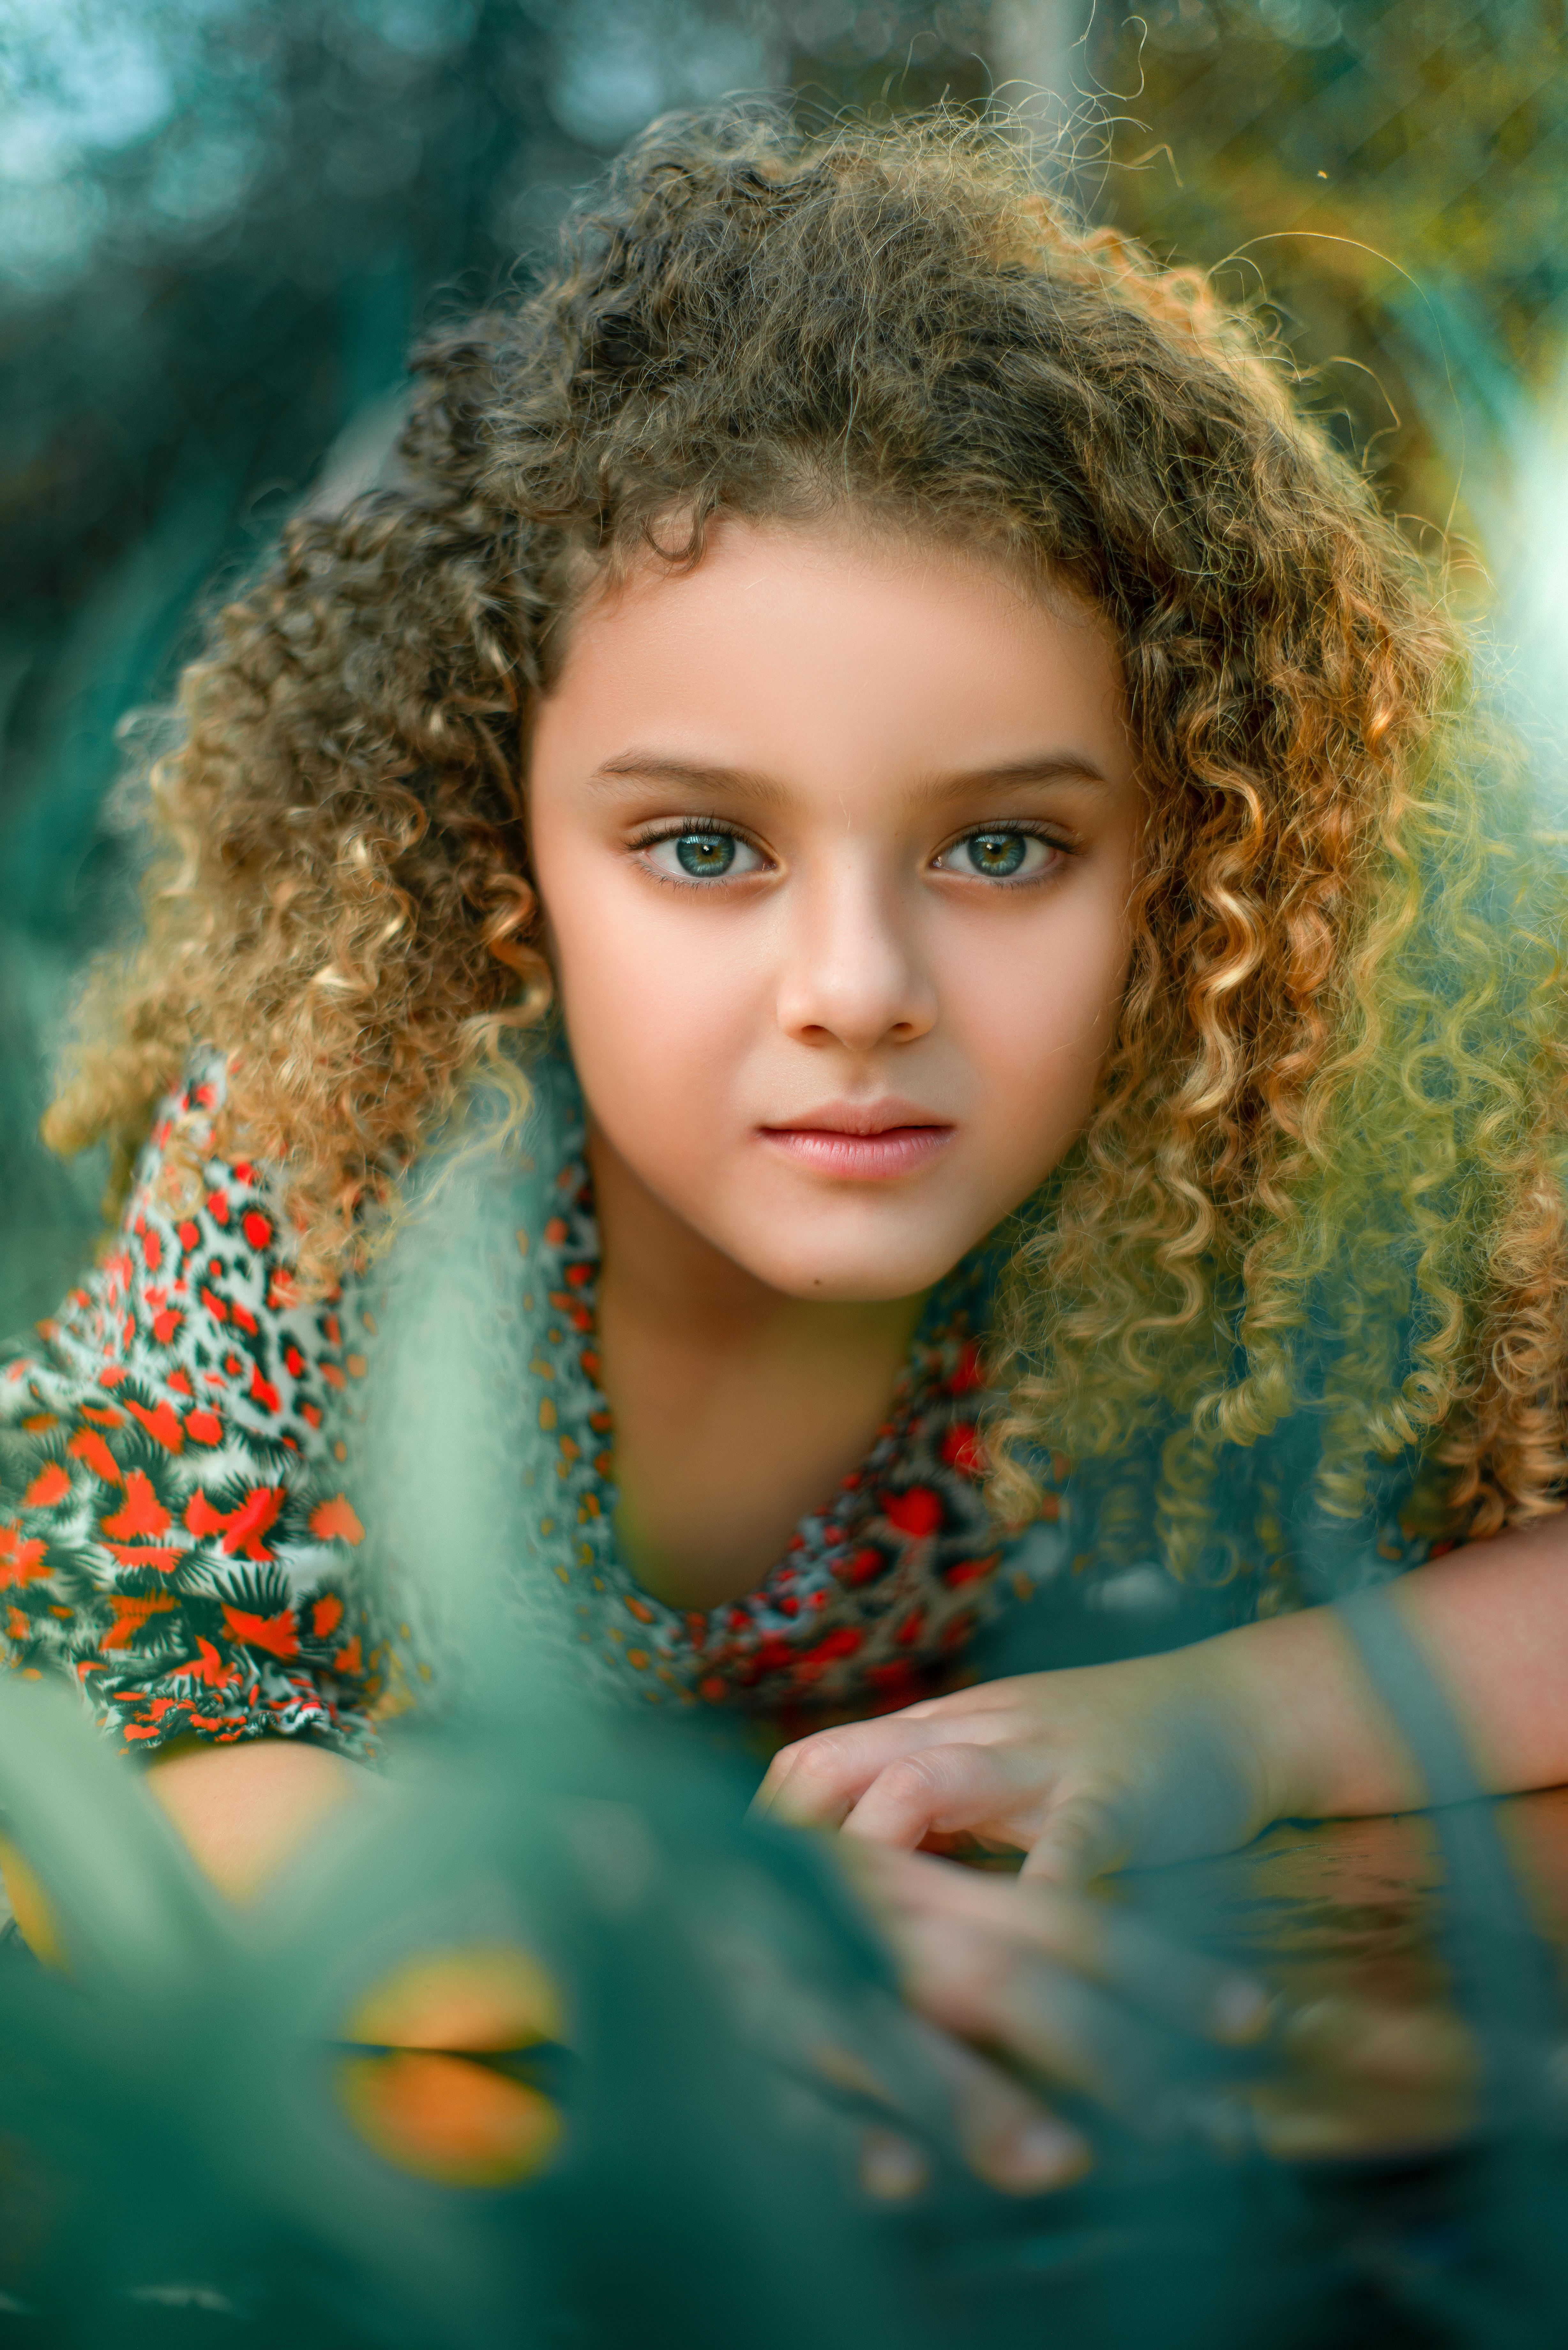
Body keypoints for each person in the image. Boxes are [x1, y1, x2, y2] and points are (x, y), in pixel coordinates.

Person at [2, 110, 1564, 2177]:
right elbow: (80, 1746)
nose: (859, 986)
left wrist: (1218, 1719)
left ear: (1191, 871)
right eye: (705, 847)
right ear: (501, 850)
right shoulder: (340, 1171)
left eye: (1006, 847)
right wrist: (666, 1936)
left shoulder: (1228, 1170)